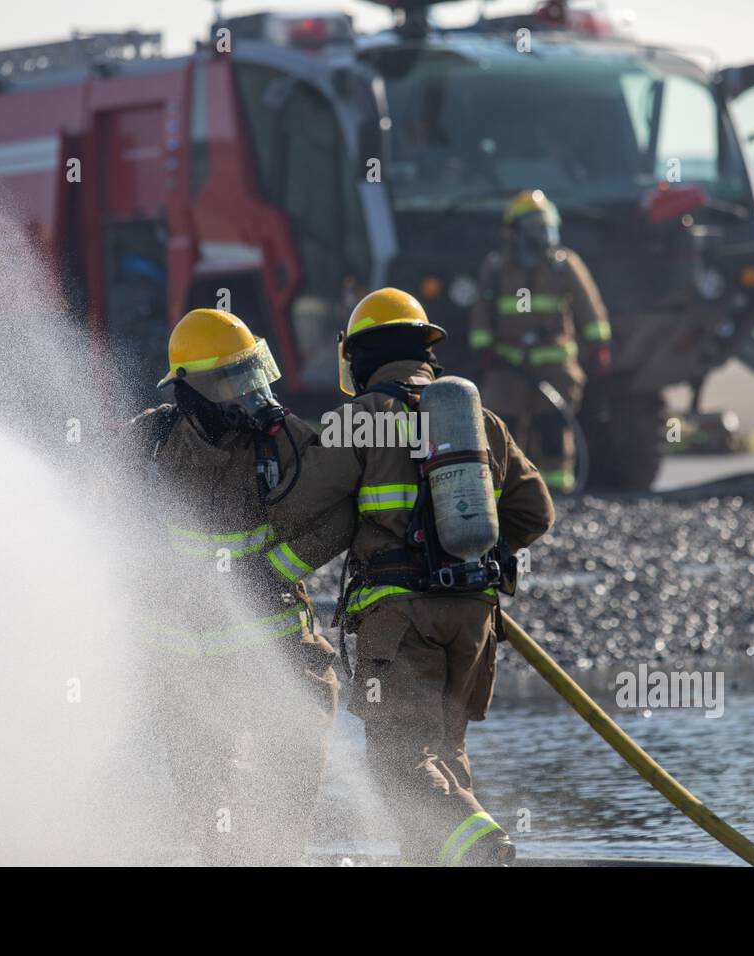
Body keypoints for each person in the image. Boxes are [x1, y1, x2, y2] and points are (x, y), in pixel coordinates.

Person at [269, 288, 556, 866]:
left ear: (358, 356)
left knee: (399, 759)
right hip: (475, 619)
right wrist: (489, 552)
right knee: (443, 753)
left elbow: (294, 506)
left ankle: (481, 843)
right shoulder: (481, 421)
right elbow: (536, 511)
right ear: (426, 351)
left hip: (401, 620)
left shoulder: (363, 418)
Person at [128, 308, 351, 865]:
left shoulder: (286, 443)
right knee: (210, 816)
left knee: (289, 787)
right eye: (233, 384)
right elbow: (94, 496)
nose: (251, 396)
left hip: (278, 649)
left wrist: (278, 567)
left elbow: (342, 511)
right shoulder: (153, 440)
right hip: (184, 667)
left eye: (253, 376)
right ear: (192, 393)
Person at [468, 189, 612, 492]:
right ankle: (505, 494)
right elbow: (482, 314)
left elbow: (590, 308)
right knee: (501, 430)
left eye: (546, 227)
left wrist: (598, 345)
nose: (543, 236)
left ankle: (558, 494)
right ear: (515, 232)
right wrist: (484, 351)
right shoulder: (497, 269)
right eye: (535, 227)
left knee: (553, 431)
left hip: (555, 366)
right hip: (508, 368)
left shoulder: (564, 265)